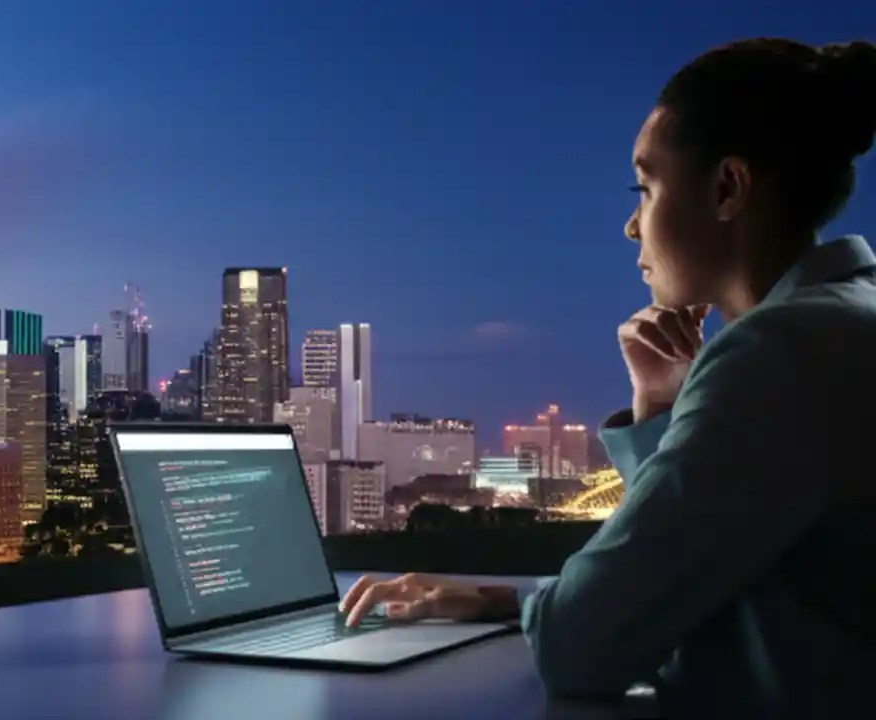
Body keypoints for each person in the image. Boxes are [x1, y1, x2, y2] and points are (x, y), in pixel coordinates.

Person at [339, 38, 876, 716]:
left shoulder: (779, 353)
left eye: (646, 187)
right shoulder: (844, 317)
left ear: (726, 188)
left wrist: (552, 612)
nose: (631, 226)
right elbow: (698, 572)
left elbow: (577, 649)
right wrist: (658, 409)